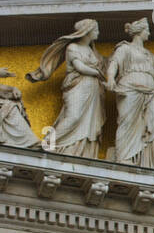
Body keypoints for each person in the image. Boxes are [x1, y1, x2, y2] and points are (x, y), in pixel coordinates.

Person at [105, 18, 154, 169]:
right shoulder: (125, 49)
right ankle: (124, 158)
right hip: (130, 90)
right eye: (147, 30)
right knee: (127, 122)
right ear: (139, 32)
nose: (149, 33)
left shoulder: (149, 55)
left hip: (149, 93)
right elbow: (114, 63)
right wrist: (110, 78)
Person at [24, 18, 107, 157]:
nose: (98, 32)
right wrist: (97, 73)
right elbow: (80, 67)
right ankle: (48, 143)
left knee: (89, 122)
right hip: (78, 86)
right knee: (73, 116)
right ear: (87, 31)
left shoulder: (93, 51)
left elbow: (105, 63)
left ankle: (80, 150)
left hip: (93, 90)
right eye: (96, 29)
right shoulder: (73, 47)